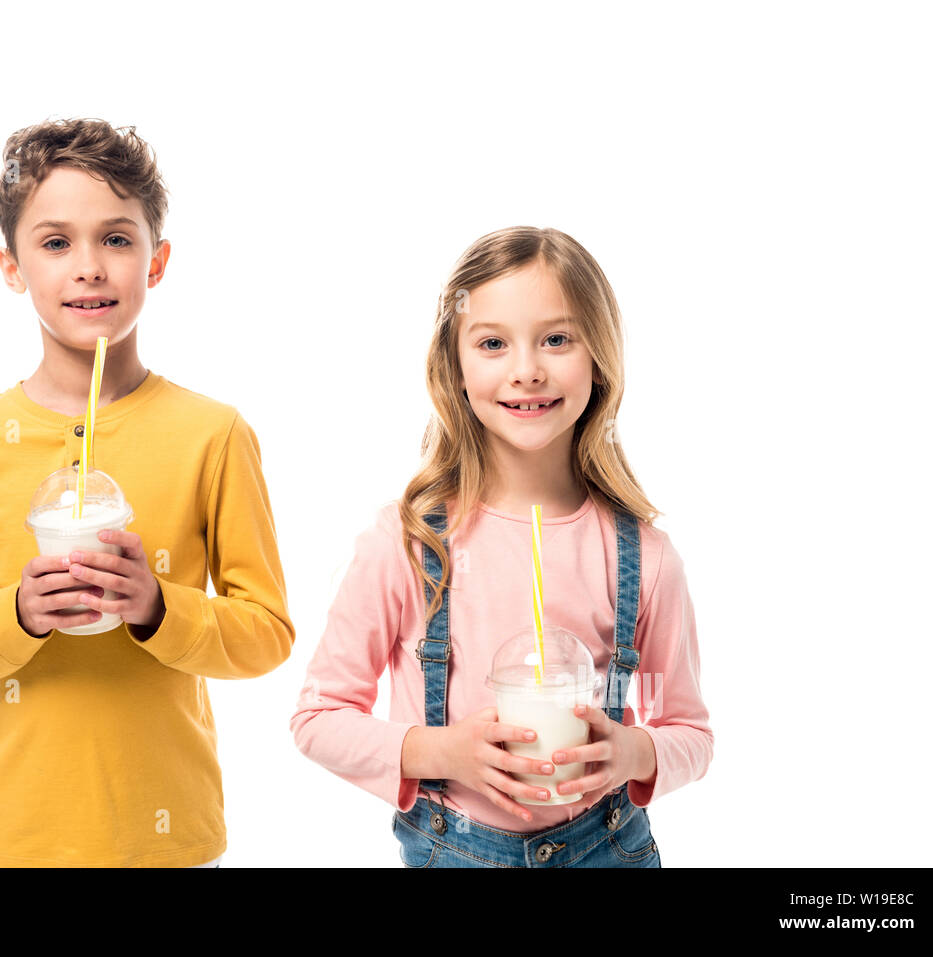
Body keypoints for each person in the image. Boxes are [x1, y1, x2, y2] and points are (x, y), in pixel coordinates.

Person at [0, 118, 293, 867]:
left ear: (157, 259)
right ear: (12, 267)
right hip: (17, 841)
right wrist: (15, 614)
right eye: (55, 243)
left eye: (116, 239)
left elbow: (266, 632)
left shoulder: (215, 435)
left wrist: (156, 606)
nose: (90, 268)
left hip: (172, 841)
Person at [291, 226, 712, 867]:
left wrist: (634, 752)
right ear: (454, 368)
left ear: (598, 358)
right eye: (492, 343)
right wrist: (441, 753)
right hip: (452, 849)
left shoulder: (646, 559)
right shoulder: (408, 545)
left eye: (557, 339)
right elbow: (318, 718)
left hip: (609, 849)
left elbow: (690, 732)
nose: (527, 370)